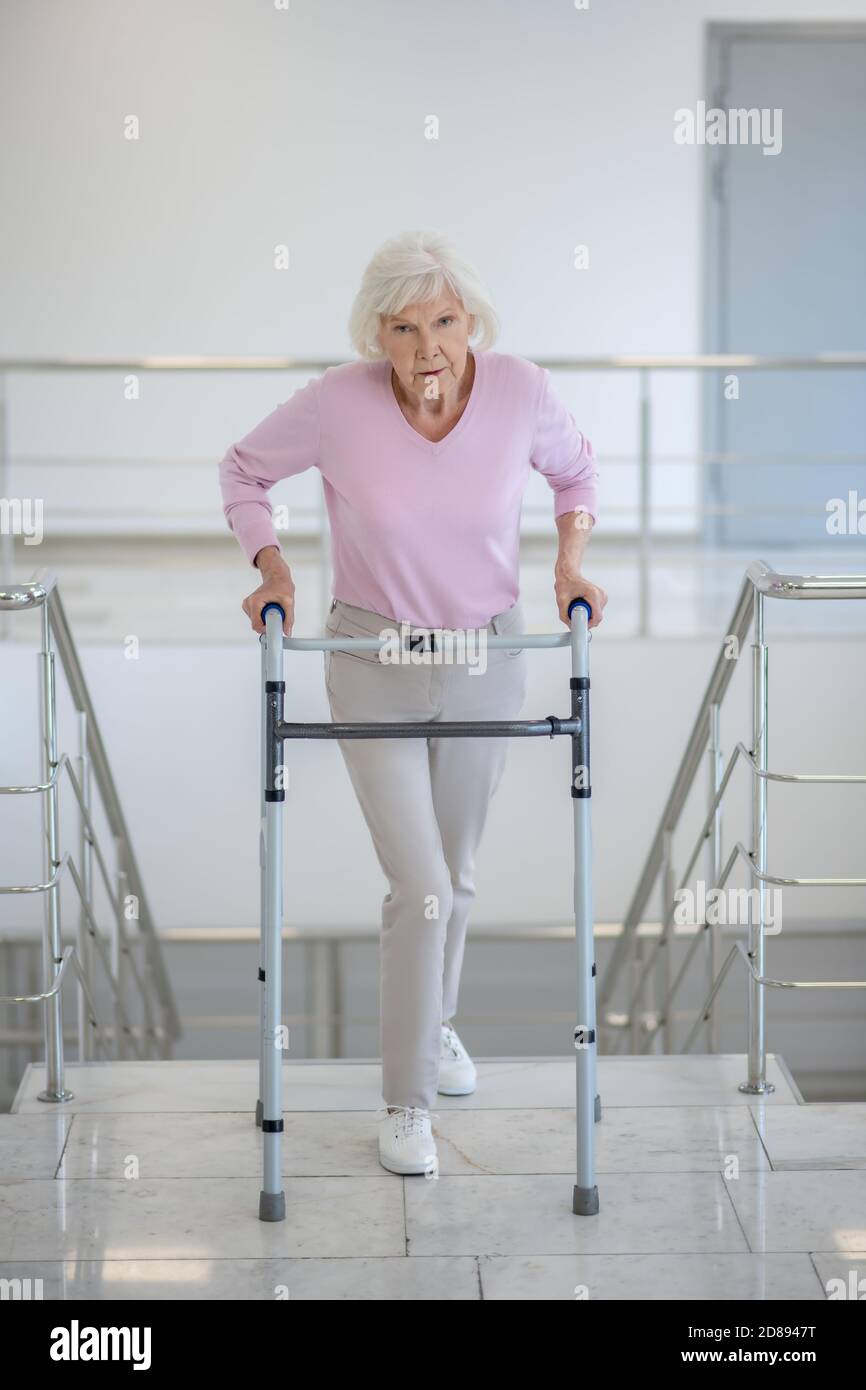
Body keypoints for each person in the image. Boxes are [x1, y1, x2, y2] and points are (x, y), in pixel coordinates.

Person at [219, 228, 607, 1176]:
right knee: (422, 886)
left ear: (470, 319)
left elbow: (577, 473)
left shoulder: (519, 390)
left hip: (487, 654)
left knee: (458, 874)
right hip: (371, 656)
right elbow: (242, 471)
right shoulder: (336, 404)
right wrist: (271, 568)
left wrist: (568, 566)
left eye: (444, 320)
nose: (429, 345)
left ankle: (433, 1030)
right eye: (404, 326)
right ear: (376, 334)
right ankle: (406, 1106)